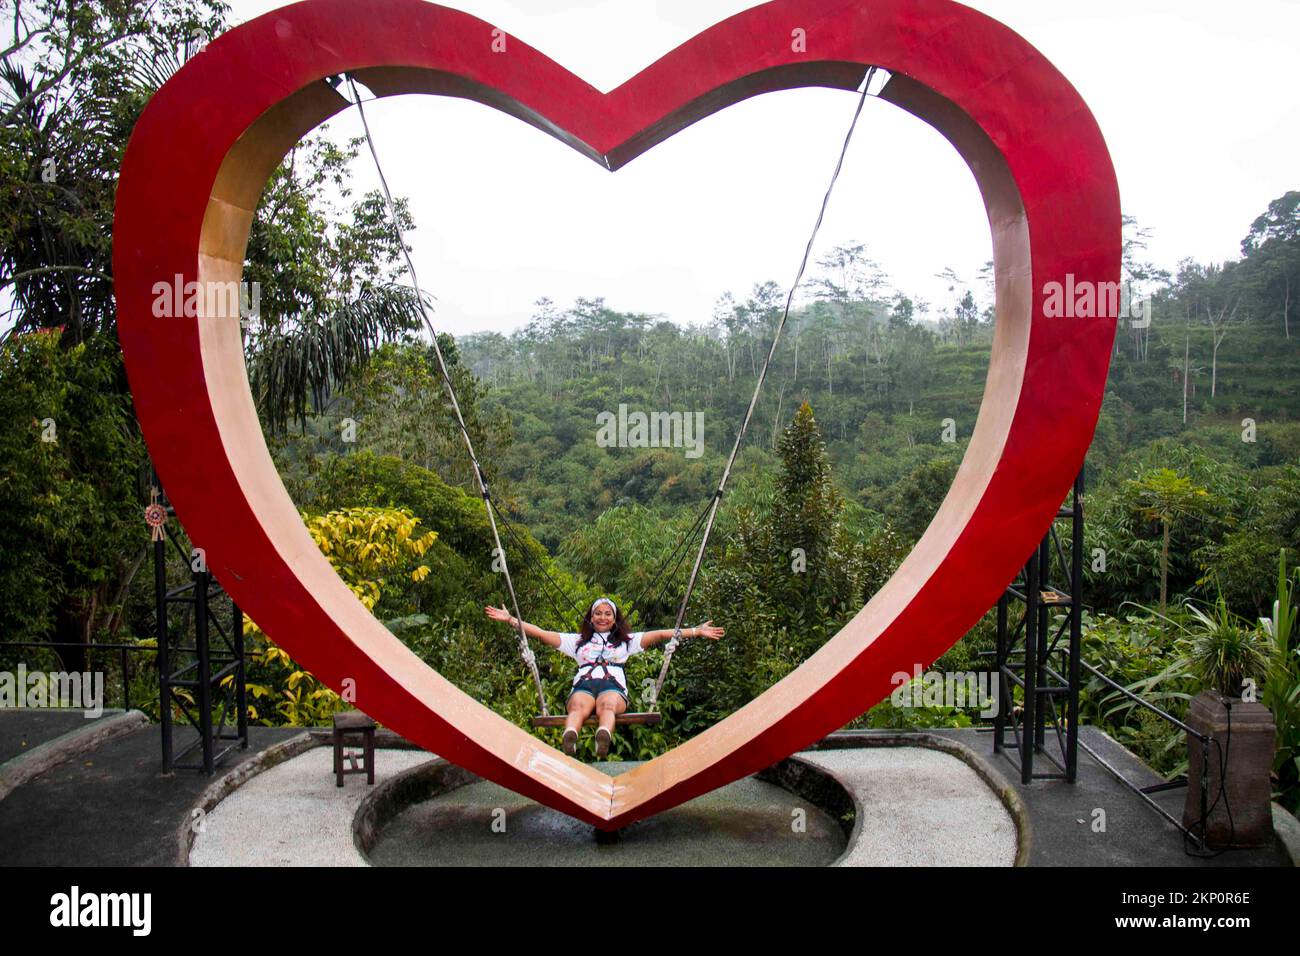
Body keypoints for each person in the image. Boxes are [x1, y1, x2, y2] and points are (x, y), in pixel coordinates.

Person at [484, 597, 724, 757]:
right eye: (597, 613)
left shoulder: (627, 642)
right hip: (585, 683)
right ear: (590, 617)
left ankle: (604, 737)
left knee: (606, 705)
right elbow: (542, 634)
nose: (602, 617)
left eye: (607, 614)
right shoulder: (576, 641)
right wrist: (511, 620)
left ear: (615, 618)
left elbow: (660, 634)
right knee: (578, 706)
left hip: (613, 685)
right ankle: (570, 736)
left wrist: (696, 631)